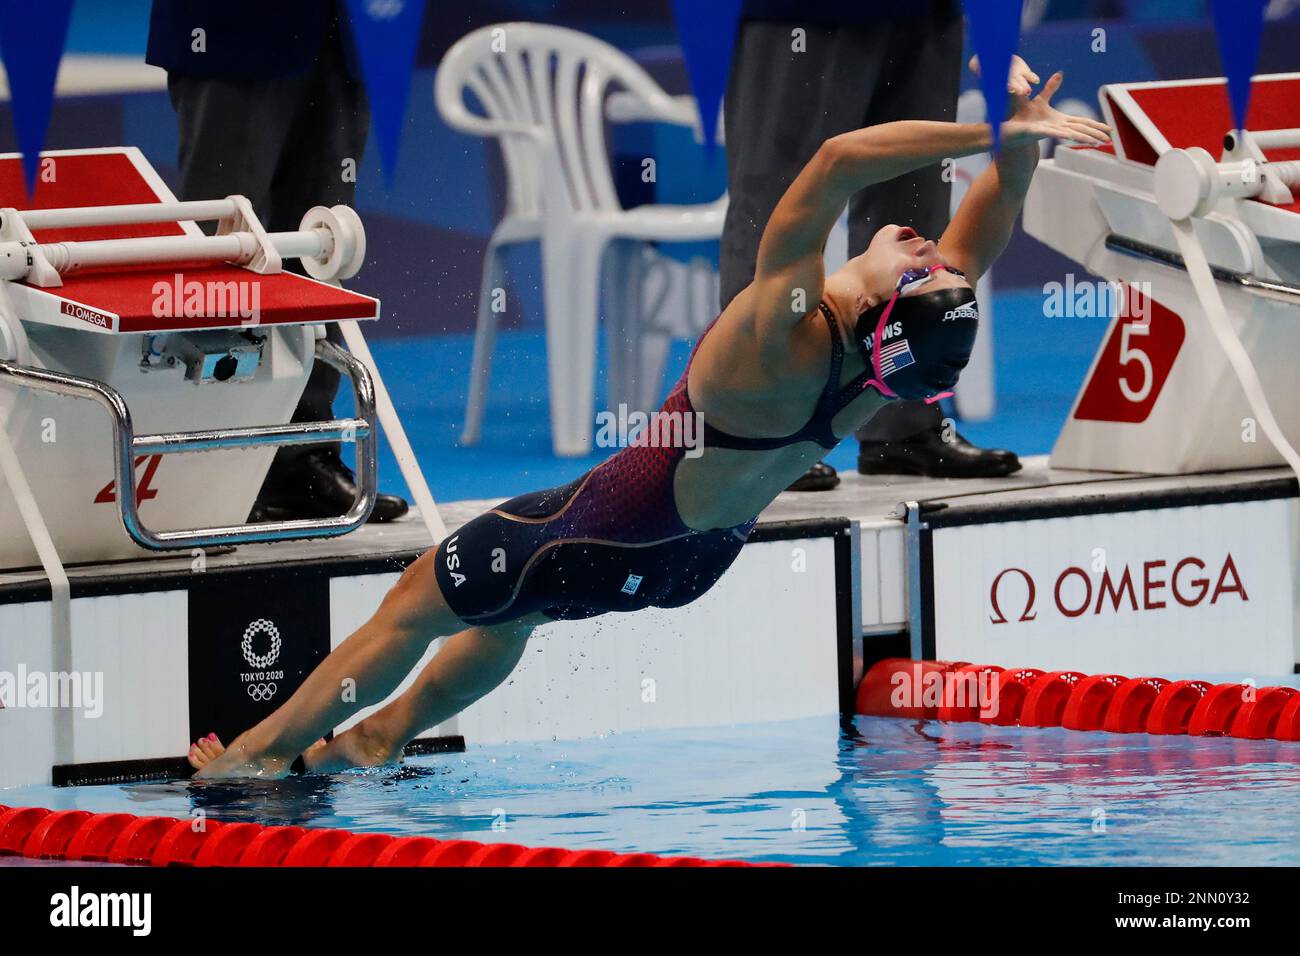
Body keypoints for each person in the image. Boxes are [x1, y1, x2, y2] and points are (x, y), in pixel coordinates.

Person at [187, 66, 1108, 778]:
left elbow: (833, 165)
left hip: (607, 530)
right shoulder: (871, 374)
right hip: (695, 557)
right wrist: (1020, 148)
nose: (926, 246)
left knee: (419, 601)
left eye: (925, 266)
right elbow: (987, 225)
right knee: (511, 615)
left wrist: (989, 126)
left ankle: (260, 757)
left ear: (883, 311)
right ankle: (379, 737)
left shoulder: (776, 335)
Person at [723, 1, 1022, 491]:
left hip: (926, 13)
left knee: (913, 222)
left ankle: (903, 429)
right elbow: (831, 167)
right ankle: (760, 434)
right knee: (780, 207)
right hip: (798, 15)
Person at [146, 0, 409, 523]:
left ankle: (302, 459)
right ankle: (201, 465)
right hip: (232, 32)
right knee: (221, 246)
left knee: (321, 247)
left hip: (346, 31)